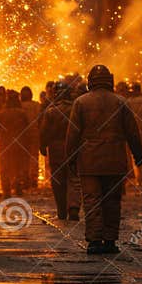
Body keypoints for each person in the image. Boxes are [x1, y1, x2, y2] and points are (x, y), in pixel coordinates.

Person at [65, 65, 142, 254]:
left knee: (92, 200)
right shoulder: (121, 102)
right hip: (114, 161)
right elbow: (132, 132)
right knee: (112, 201)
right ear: (110, 80)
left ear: (91, 80)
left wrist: (71, 158)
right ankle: (109, 240)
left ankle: (94, 240)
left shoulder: (81, 103)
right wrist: (138, 156)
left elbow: (73, 134)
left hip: (89, 161)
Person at [40, 77, 84, 220]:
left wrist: (42, 146)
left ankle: (61, 210)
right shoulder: (76, 109)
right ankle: (73, 207)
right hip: (74, 149)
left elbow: (44, 131)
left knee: (58, 180)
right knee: (74, 178)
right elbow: (82, 130)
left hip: (56, 151)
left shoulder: (51, 111)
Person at [0, 90, 30, 197]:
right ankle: (18, 187)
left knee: (5, 169)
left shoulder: (2, 114)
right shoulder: (22, 114)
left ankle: (6, 190)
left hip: (5, 145)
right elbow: (27, 130)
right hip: (19, 145)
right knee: (18, 167)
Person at [19, 86, 42, 187]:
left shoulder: (18, 106)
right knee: (33, 157)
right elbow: (41, 120)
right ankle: (33, 179)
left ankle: (24, 179)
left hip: (22, 136)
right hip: (34, 134)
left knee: (23, 157)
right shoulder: (37, 105)